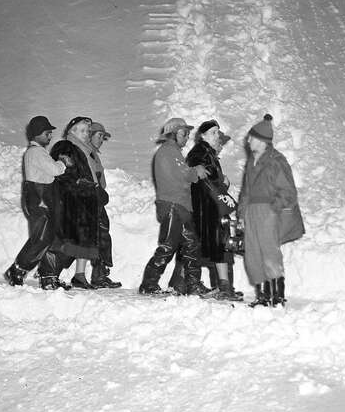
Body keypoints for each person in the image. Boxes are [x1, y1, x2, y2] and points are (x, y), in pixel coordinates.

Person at [138, 116, 213, 297]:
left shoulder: (173, 152)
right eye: (184, 133)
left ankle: (193, 285)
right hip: (173, 205)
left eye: (188, 134)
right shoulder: (168, 151)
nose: (187, 138)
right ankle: (148, 284)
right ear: (173, 133)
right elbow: (183, 174)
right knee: (168, 246)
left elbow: (182, 174)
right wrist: (197, 171)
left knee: (191, 246)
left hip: (181, 206)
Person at [237, 114, 300, 308]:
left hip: (268, 211)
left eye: (251, 138)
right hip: (251, 212)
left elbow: (288, 191)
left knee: (269, 253)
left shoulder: (276, 161)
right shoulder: (251, 162)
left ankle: (277, 296)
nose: (248, 141)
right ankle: (262, 296)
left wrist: (274, 209)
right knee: (253, 254)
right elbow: (245, 191)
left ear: (262, 141)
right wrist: (241, 214)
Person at [3, 115, 68, 288]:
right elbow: (55, 170)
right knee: (41, 239)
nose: (50, 136)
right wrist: (63, 162)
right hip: (40, 200)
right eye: (47, 133)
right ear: (37, 134)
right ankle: (17, 269)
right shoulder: (36, 152)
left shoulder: (37, 152)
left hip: (43, 199)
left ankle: (48, 277)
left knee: (50, 238)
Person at [186, 119, 243, 301]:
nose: (217, 135)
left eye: (218, 132)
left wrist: (222, 183)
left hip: (211, 206)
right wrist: (199, 169)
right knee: (215, 245)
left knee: (217, 246)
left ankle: (224, 287)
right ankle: (222, 287)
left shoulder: (209, 153)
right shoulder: (200, 151)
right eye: (213, 132)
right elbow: (195, 168)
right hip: (207, 208)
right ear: (203, 135)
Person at [48, 116, 102, 289]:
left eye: (88, 131)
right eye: (83, 131)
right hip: (71, 201)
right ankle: (49, 274)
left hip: (84, 200)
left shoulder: (83, 149)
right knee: (68, 242)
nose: (87, 134)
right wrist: (79, 183)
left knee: (83, 241)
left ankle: (79, 276)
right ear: (72, 131)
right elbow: (62, 170)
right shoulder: (65, 146)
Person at [86, 122, 122, 288]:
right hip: (90, 200)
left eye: (103, 137)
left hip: (97, 199)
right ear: (89, 134)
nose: (101, 140)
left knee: (102, 235)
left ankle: (99, 273)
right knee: (96, 236)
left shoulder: (93, 154)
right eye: (99, 136)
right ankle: (50, 269)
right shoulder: (86, 153)